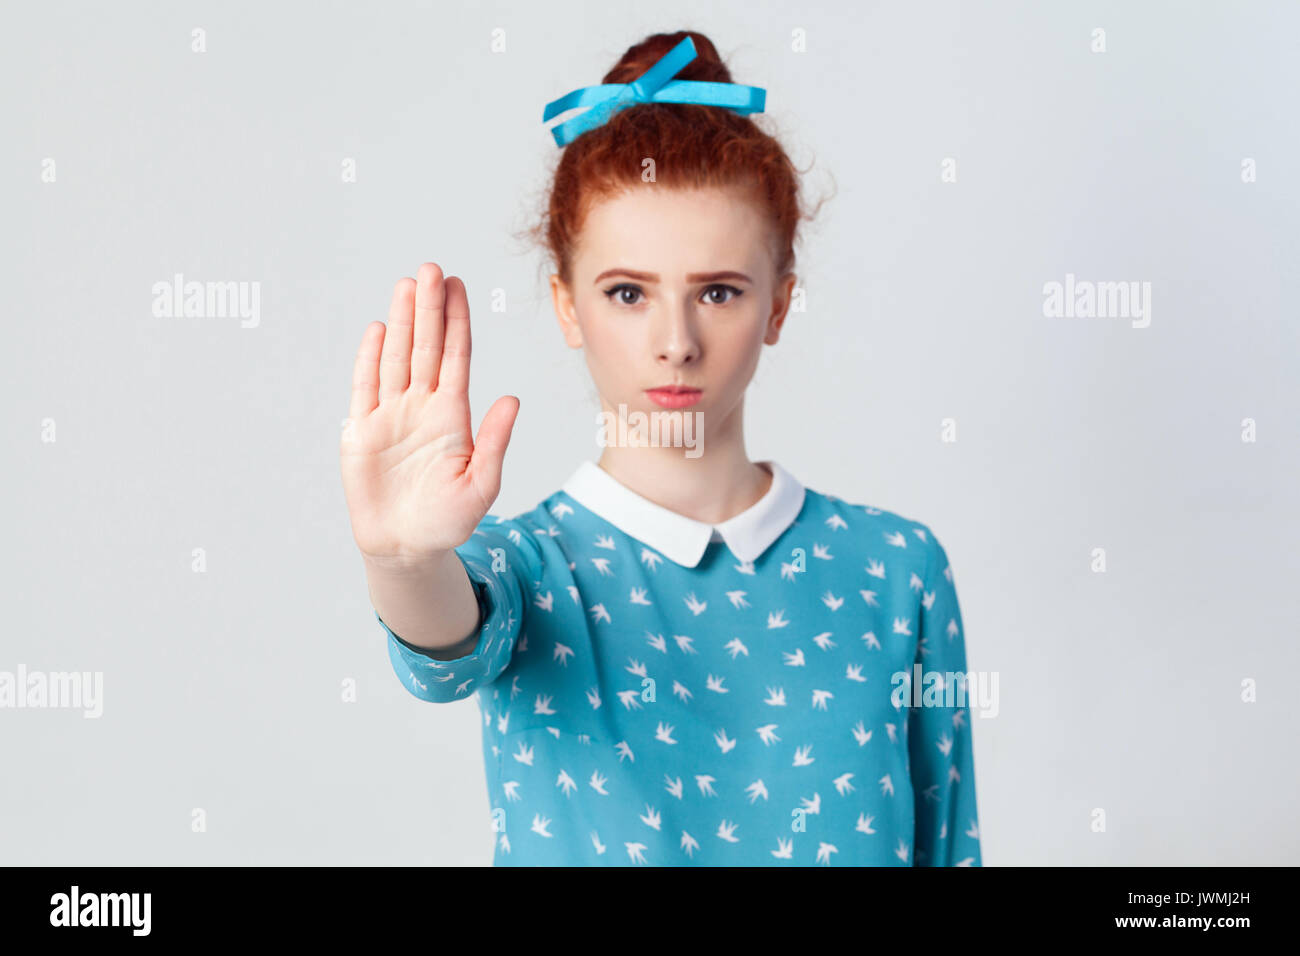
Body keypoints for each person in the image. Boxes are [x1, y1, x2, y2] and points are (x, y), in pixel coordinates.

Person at [339, 30, 982, 866]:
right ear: (567, 307)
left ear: (779, 306)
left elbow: (949, 844)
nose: (675, 341)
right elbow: (445, 644)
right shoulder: (528, 572)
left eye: (719, 291)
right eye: (628, 293)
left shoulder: (897, 568)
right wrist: (400, 560)